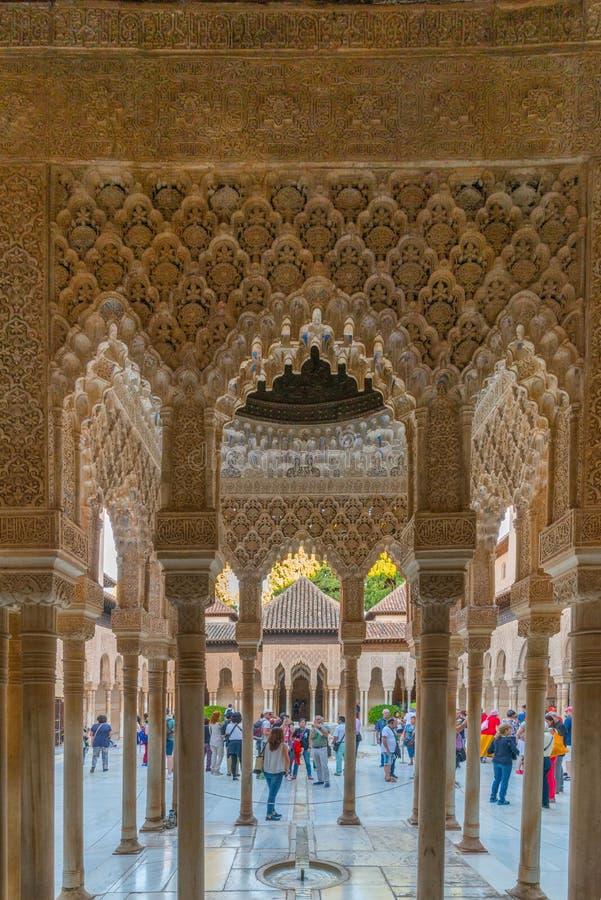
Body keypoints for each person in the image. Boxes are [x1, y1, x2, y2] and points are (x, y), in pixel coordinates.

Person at [263, 726, 290, 820]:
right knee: (272, 794)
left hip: (267, 771)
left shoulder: (267, 744)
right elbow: (287, 759)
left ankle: (273, 811)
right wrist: (287, 770)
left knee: (271, 792)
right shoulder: (283, 746)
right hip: (277, 772)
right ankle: (269, 814)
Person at [488, 723, 518, 805]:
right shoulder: (508, 740)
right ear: (506, 731)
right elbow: (516, 751)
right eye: (510, 729)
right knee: (504, 781)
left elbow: (489, 751)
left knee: (496, 779)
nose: (511, 731)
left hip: (496, 761)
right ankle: (501, 799)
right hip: (506, 762)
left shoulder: (496, 739)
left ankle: (493, 797)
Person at [310, 716, 330, 787]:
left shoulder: (325, 727)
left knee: (324, 765)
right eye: (316, 719)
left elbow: (326, 734)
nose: (317, 720)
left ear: (322, 720)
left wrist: (319, 727)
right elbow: (311, 737)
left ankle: (327, 781)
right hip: (315, 748)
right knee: (318, 766)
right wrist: (313, 729)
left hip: (322, 748)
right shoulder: (313, 728)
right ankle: (320, 780)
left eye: (319, 719)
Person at [225, 711, 243, 780]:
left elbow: (227, 733)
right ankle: (243, 774)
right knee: (242, 760)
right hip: (240, 743)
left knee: (233, 760)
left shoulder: (229, 725)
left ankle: (234, 776)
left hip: (232, 743)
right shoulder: (242, 725)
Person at [381, 716, 398, 782]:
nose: (396, 724)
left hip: (391, 749)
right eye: (395, 723)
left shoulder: (392, 729)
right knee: (387, 763)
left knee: (389, 763)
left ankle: (387, 776)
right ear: (392, 722)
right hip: (387, 750)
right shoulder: (386, 729)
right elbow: (384, 739)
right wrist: (387, 749)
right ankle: (387, 777)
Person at [209, 710, 224, 775]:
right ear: (218, 717)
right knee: (220, 756)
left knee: (214, 755)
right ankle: (216, 770)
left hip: (212, 741)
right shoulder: (219, 724)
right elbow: (222, 733)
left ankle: (212, 768)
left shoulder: (210, 724)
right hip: (219, 741)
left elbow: (210, 733)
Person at [542, 726, 554, 808]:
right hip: (547, 759)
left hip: (540, 759)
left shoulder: (540, 735)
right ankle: (545, 802)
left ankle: (538, 800)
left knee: (536, 782)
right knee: (545, 781)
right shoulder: (551, 735)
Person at [563, 706, 572, 779]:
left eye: (567, 711)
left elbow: (564, 730)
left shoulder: (568, 719)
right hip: (576, 742)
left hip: (568, 741)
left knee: (568, 758)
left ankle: (569, 774)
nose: (566, 712)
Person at [165, 710, 175, 776]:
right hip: (170, 739)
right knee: (169, 756)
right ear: (168, 713)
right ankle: (169, 772)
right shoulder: (172, 721)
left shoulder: (159, 720)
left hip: (161, 740)